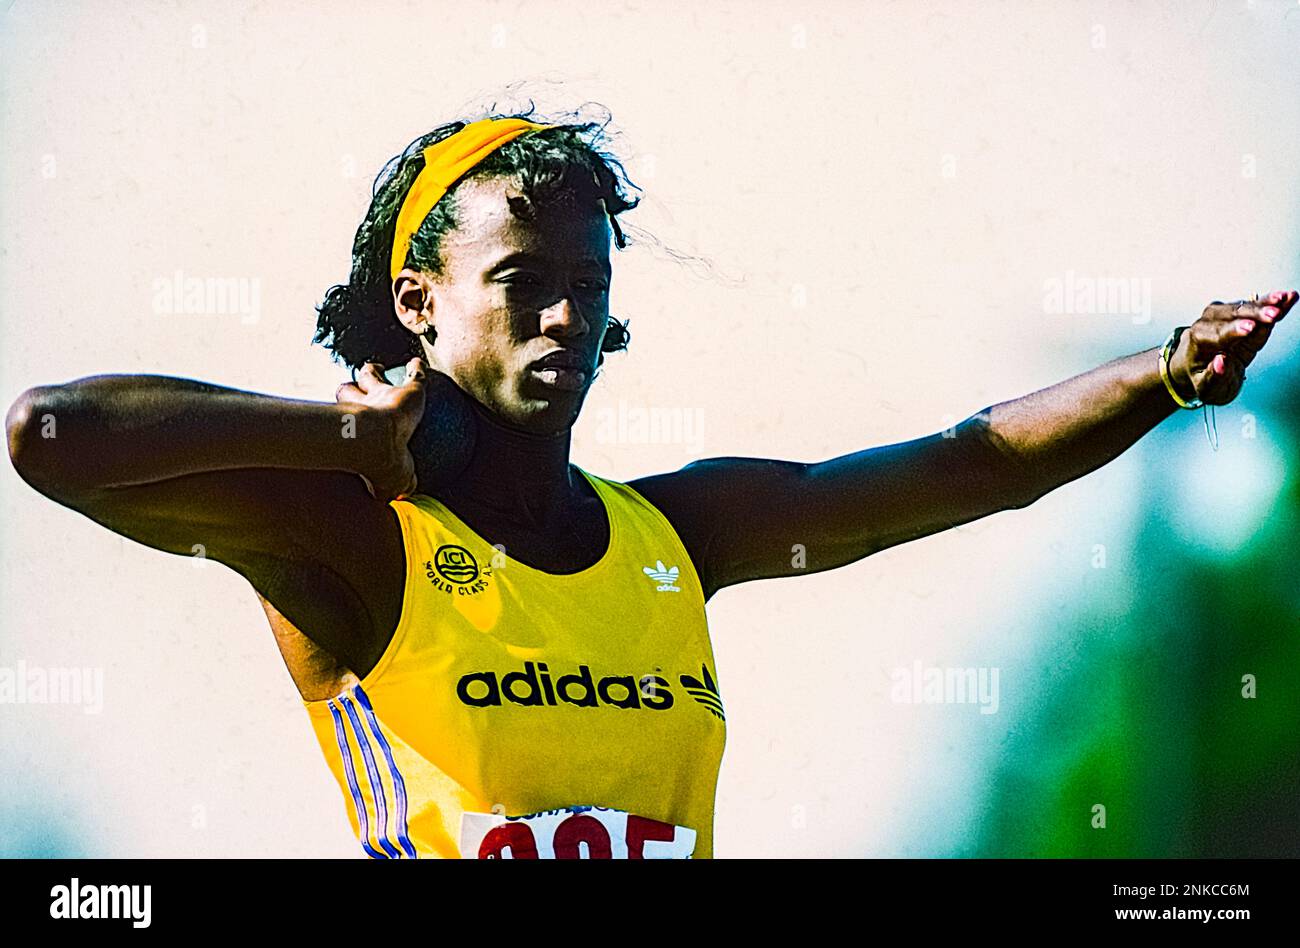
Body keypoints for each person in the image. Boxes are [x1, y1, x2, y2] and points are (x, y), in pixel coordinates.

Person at [5, 111, 1294, 859]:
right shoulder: (353, 540)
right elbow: (51, 436)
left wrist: (1169, 372)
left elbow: (968, 467)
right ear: (420, 305)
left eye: (590, 286)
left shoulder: (685, 532)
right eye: (523, 283)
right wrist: (331, 439)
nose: (565, 316)